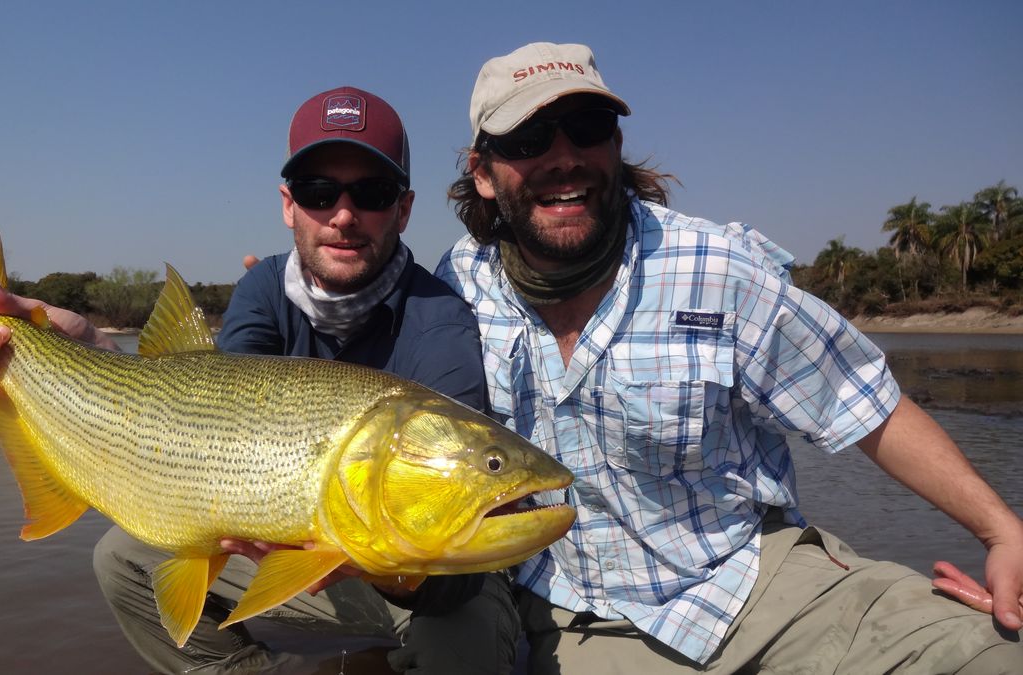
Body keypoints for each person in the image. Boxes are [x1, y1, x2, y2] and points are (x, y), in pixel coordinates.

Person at [434, 42, 1023, 673]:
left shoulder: (717, 269)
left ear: (614, 145)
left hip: (758, 585)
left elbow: (866, 404)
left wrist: (1001, 532)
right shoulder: (456, 289)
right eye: (527, 140)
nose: (565, 157)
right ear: (484, 172)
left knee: (993, 653)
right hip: (574, 613)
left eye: (587, 128)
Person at [0, 86, 519, 674]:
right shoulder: (265, 289)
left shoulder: (439, 318)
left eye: (371, 193)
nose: (343, 215)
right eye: (320, 192)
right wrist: (89, 352)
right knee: (121, 558)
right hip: (283, 544)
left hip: (409, 574)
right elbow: (199, 408)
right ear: (288, 205)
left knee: (462, 641)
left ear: (403, 209)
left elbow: (456, 578)